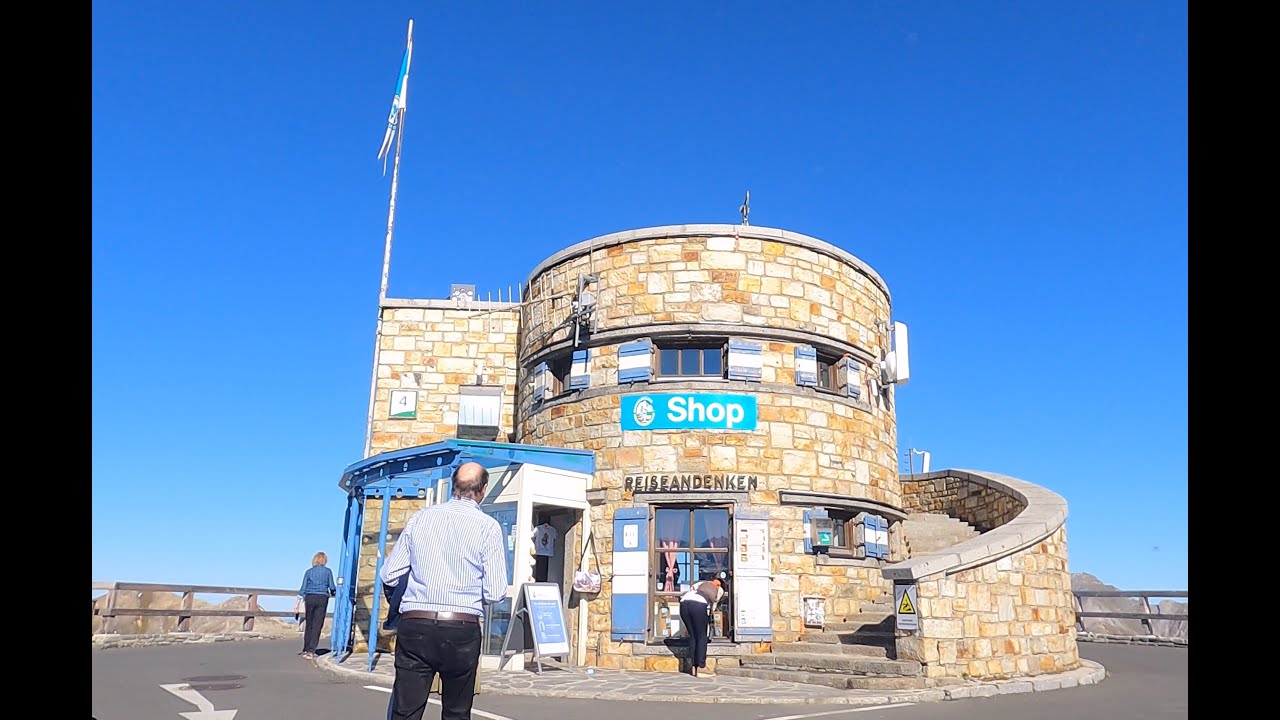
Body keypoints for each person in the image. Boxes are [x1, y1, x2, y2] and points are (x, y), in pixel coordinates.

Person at [380, 462, 508, 720]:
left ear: (453, 486)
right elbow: (495, 591)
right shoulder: (488, 527)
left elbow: (389, 574)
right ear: (483, 489)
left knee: (405, 710)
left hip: (416, 622)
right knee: (457, 712)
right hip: (461, 626)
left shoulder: (421, 518)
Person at [678, 577, 723, 677]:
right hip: (698, 605)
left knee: (693, 635)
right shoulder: (719, 589)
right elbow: (714, 605)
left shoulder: (700, 583)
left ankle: (694, 666)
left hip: (684, 603)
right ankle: (702, 667)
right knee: (702, 636)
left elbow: (690, 590)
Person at [297, 551, 336, 659]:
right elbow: (332, 586)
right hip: (322, 598)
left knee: (309, 623)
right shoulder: (328, 571)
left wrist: (299, 599)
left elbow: (303, 587)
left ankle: (305, 648)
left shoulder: (309, 572)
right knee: (317, 624)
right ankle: (311, 650)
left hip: (310, 597)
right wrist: (334, 592)